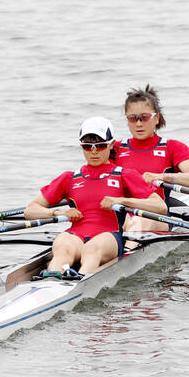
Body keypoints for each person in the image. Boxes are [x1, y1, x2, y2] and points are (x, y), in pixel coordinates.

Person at [24, 116, 167, 278]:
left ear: (111, 145)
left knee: (92, 249)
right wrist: (57, 213)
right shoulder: (69, 178)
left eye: (100, 145)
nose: (93, 151)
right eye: (87, 146)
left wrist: (122, 200)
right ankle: (49, 281)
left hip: (109, 236)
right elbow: (30, 210)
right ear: (81, 146)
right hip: (76, 235)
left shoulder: (124, 175)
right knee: (62, 245)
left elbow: (160, 207)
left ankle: (80, 281)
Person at [115, 85, 189, 232]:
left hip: (156, 217)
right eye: (132, 118)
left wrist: (160, 177)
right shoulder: (115, 149)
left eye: (144, 117)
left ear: (156, 118)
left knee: (138, 220)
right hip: (121, 216)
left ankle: (128, 251)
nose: (138, 123)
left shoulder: (171, 147)